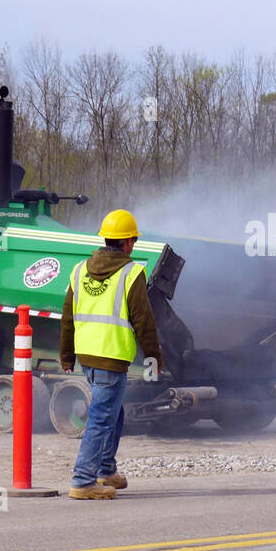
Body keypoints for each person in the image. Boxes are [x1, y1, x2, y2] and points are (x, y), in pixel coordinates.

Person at [60, 209, 164, 500]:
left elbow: (67, 317)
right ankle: (83, 481)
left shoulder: (80, 270)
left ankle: (106, 469)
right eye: (133, 240)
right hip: (111, 357)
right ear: (128, 242)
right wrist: (154, 356)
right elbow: (144, 321)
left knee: (112, 413)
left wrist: (67, 355)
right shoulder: (132, 273)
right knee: (101, 418)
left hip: (87, 357)